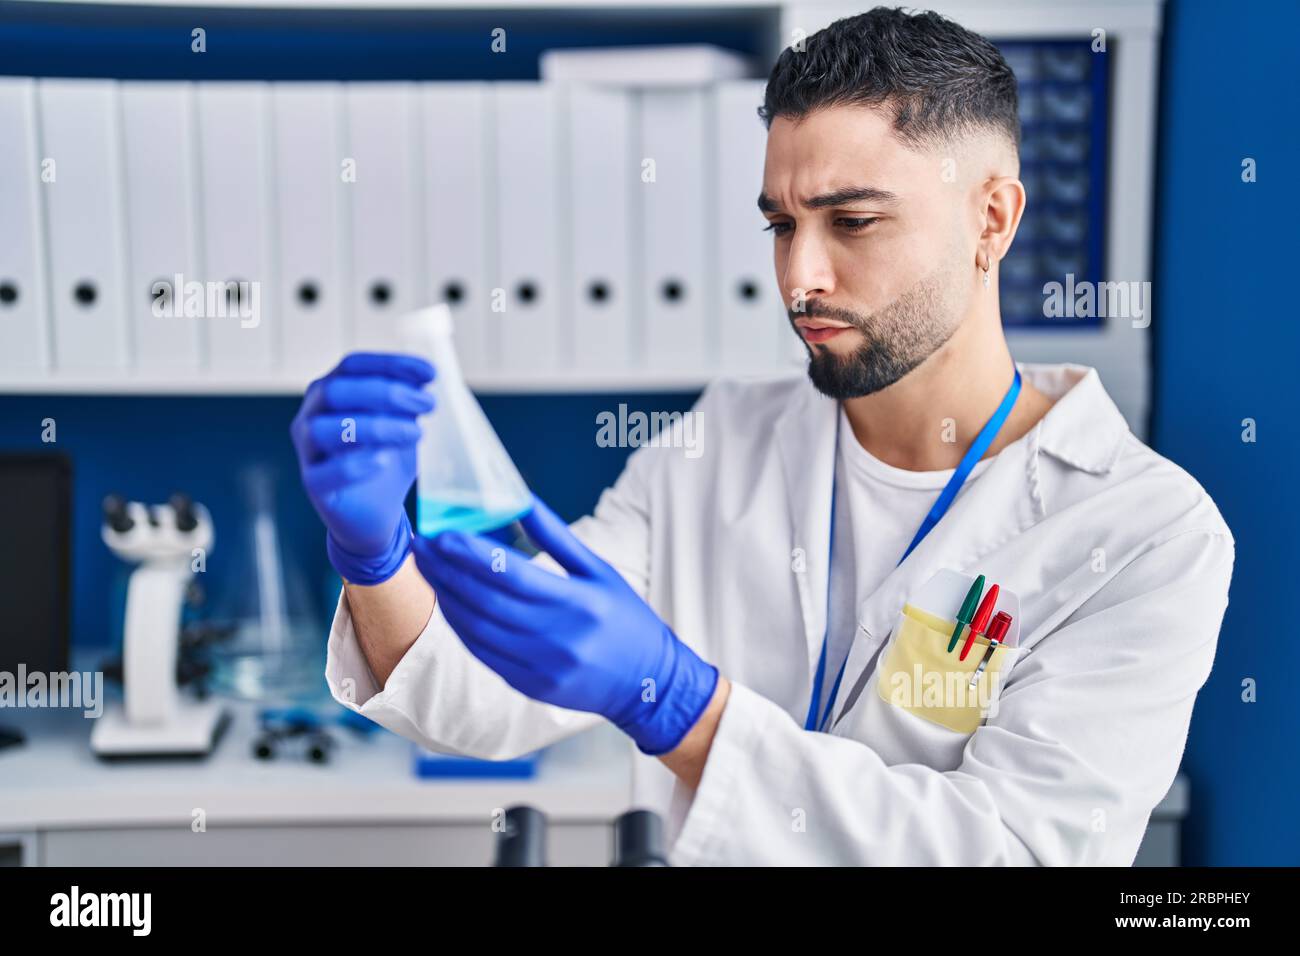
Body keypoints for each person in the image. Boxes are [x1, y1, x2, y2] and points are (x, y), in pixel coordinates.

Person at [291, 7, 1232, 865]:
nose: (800, 278)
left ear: (992, 218)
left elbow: (1017, 854)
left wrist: (681, 706)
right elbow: (487, 698)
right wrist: (375, 558)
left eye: (853, 221)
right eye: (782, 225)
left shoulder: (1145, 533)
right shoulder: (725, 438)